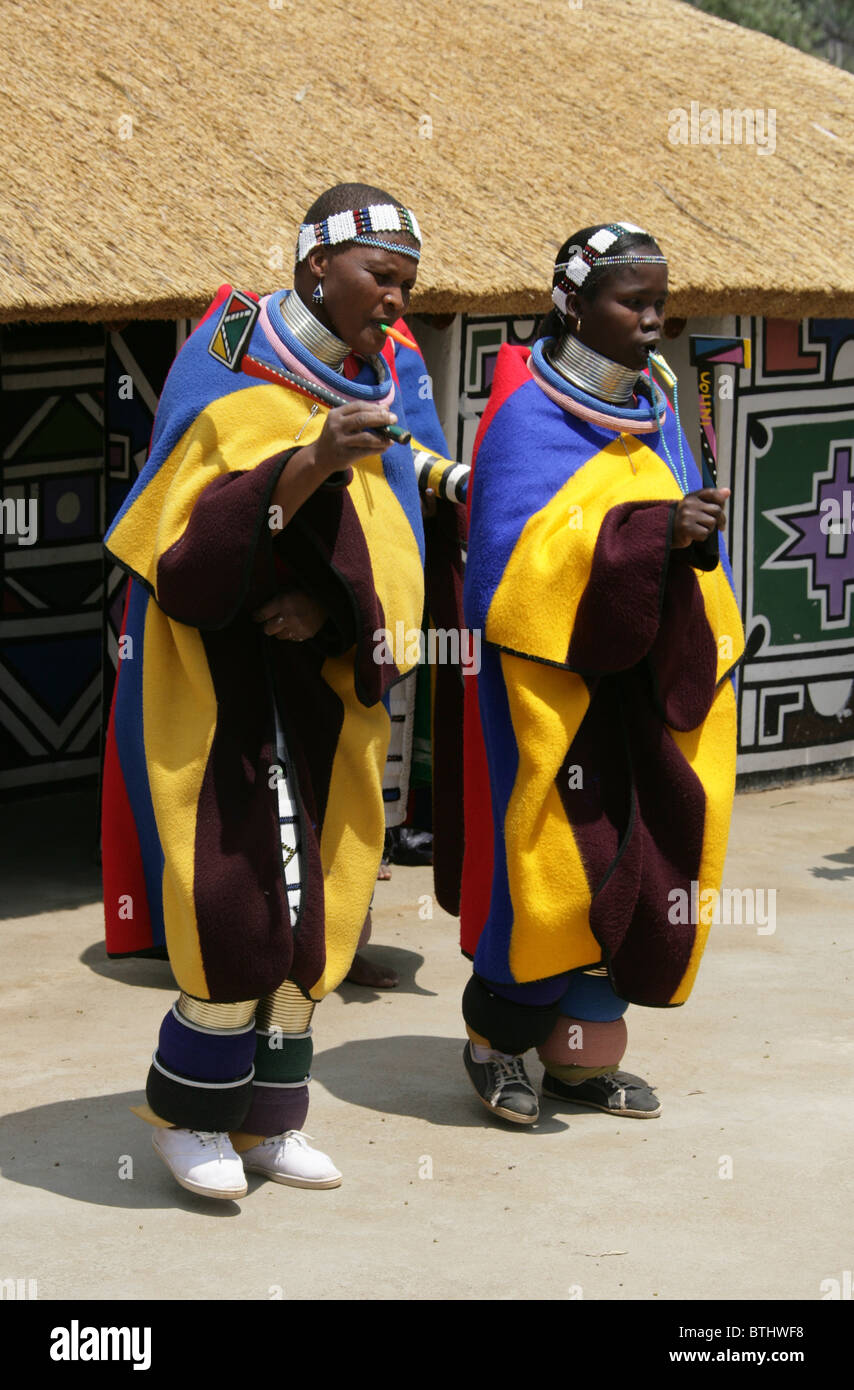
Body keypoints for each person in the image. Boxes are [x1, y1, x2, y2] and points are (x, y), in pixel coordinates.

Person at [102, 183, 462, 1198]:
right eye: (381, 279)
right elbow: (189, 536)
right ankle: (187, 1115)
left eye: (408, 285)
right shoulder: (226, 345)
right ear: (316, 264)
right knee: (232, 897)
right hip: (217, 673)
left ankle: (270, 1121)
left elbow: (393, 532)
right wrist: (304, 465)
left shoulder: (390, 375)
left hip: (314, 681)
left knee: (317, 905)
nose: (397, 302)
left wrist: (330, 608)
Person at [459, 221, 745, 1125]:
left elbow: (667, 516)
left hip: (643, 671)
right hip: (554, 684)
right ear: (573, 304)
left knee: (644, 839)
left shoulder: (657, 398)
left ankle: (579, 1064)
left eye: (661, 302)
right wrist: (656, 531)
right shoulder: (528, 418)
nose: (654, 320)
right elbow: (512, 570)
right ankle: (497, 1043)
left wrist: (684, 540)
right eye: (634, 302)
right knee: (552, 853)